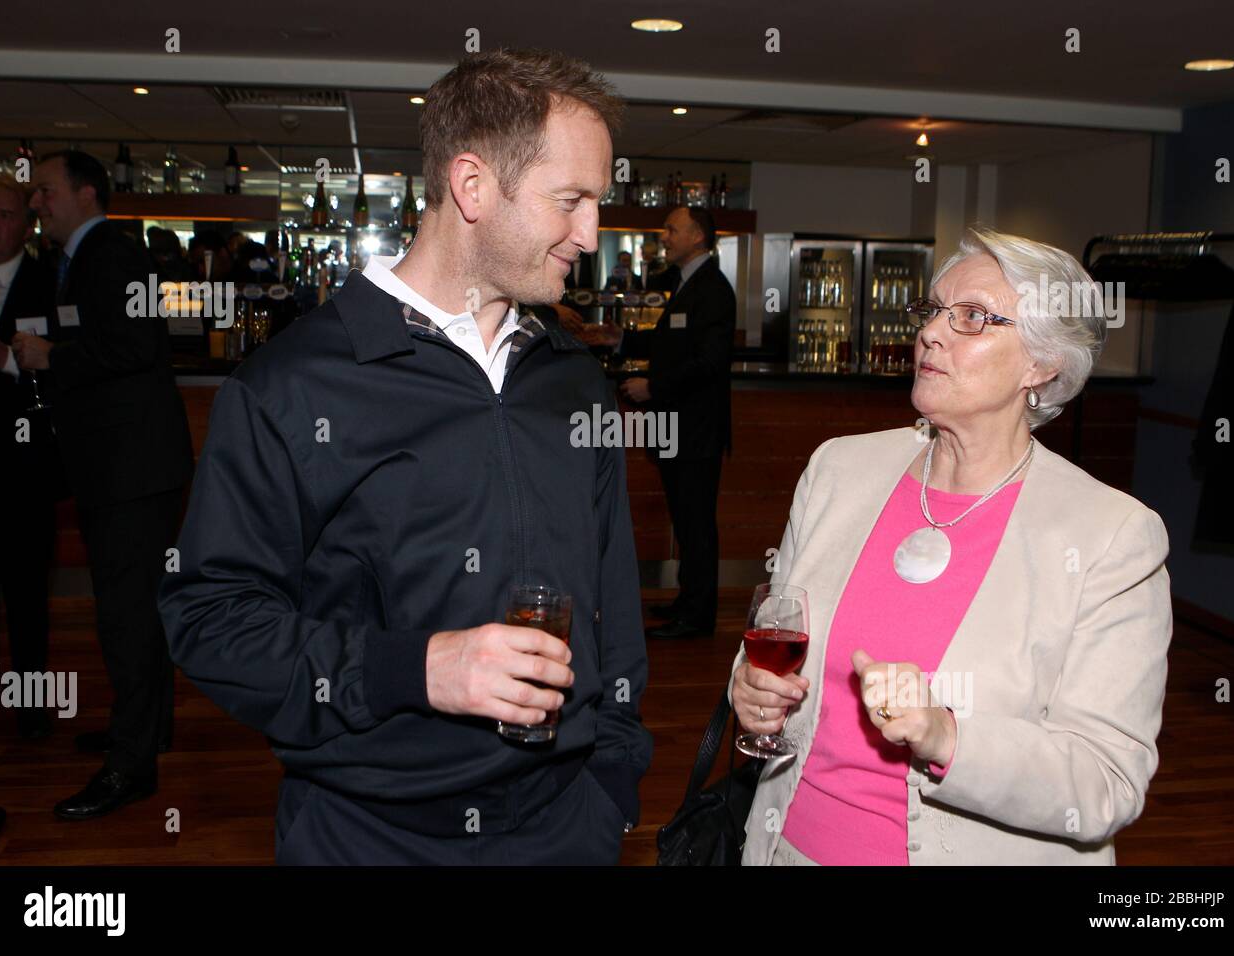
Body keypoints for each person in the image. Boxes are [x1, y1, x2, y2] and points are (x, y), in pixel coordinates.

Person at [158, 48, 652, 865]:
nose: (591, 234)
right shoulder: (293, 384)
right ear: (472, 186)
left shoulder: (572, 381)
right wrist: (418, 668)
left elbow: (615, 602)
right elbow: (210, 623)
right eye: (572, 200)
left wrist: (613, 782)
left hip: (566, 827)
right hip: (367, 835)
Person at [729, 226, 1172, 865]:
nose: (932, 332)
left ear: (1042, 365)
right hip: (786, 848)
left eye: (972, 318)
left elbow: (1108, 781)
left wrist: (947, 736)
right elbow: (777, 639)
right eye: (933, 310)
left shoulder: (1110, 535)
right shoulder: (839, 471)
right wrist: (748, 689)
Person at [14, 150, 194, 821]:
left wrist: (50, 357)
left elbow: (134, 345)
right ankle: (146, 733)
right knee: (134, 611)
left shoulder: (110, 257)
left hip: (131, 471)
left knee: (125, 616)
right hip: (124, 468)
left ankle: (131, 766)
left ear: (87, 194)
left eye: (46, 191)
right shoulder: (87, 259)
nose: (38, 203)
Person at [568, 206, 736, 639]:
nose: (664, 236)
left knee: (696, 524)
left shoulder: (713, 289)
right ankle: (687, 601)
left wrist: (653, 387)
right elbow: (672, 344)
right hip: (678, 430)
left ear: (698, 236)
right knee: (685, 520)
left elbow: (709, 363)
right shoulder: (685, 285)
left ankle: (698, 617)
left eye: (672, 229)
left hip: (695, 431)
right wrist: (620, 338)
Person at [0, 174, 62, 741]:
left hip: (21, 471)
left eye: (4, 214)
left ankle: (31, 710)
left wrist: (6, 359)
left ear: (26, 227)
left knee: (26, 597)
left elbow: (65, 381)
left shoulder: (46, 285)